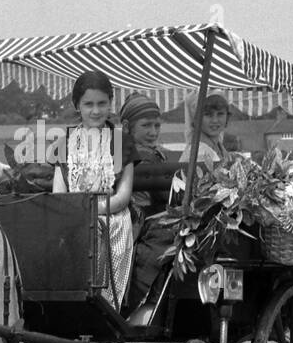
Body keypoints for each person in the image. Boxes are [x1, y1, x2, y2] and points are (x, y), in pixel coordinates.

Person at [53, 70, 134, 310]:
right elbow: (59, 193)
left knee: (99, 234)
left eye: (102, 103)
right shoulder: (63, 142)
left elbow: (123, 196)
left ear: (111, 102)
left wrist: (95, 211)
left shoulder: (122, 142)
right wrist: (77, 214)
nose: (96, 111)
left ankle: (105, 307)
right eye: (88, 104)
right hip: (73, 216)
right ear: (76, 105)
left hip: (112, 217)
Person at [118, 94, 172, 307]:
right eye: (146, 125)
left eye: (157, 125)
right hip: (138, 223)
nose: (153, 132)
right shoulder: (140, 155)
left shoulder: (153, 153)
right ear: (127, 126)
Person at [178, 91, 231, 175]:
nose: (215, 120)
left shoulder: (219, 147)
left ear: (227, 117)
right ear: (197, 119)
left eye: (220, 114)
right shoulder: (199, 153)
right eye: (208, 114)